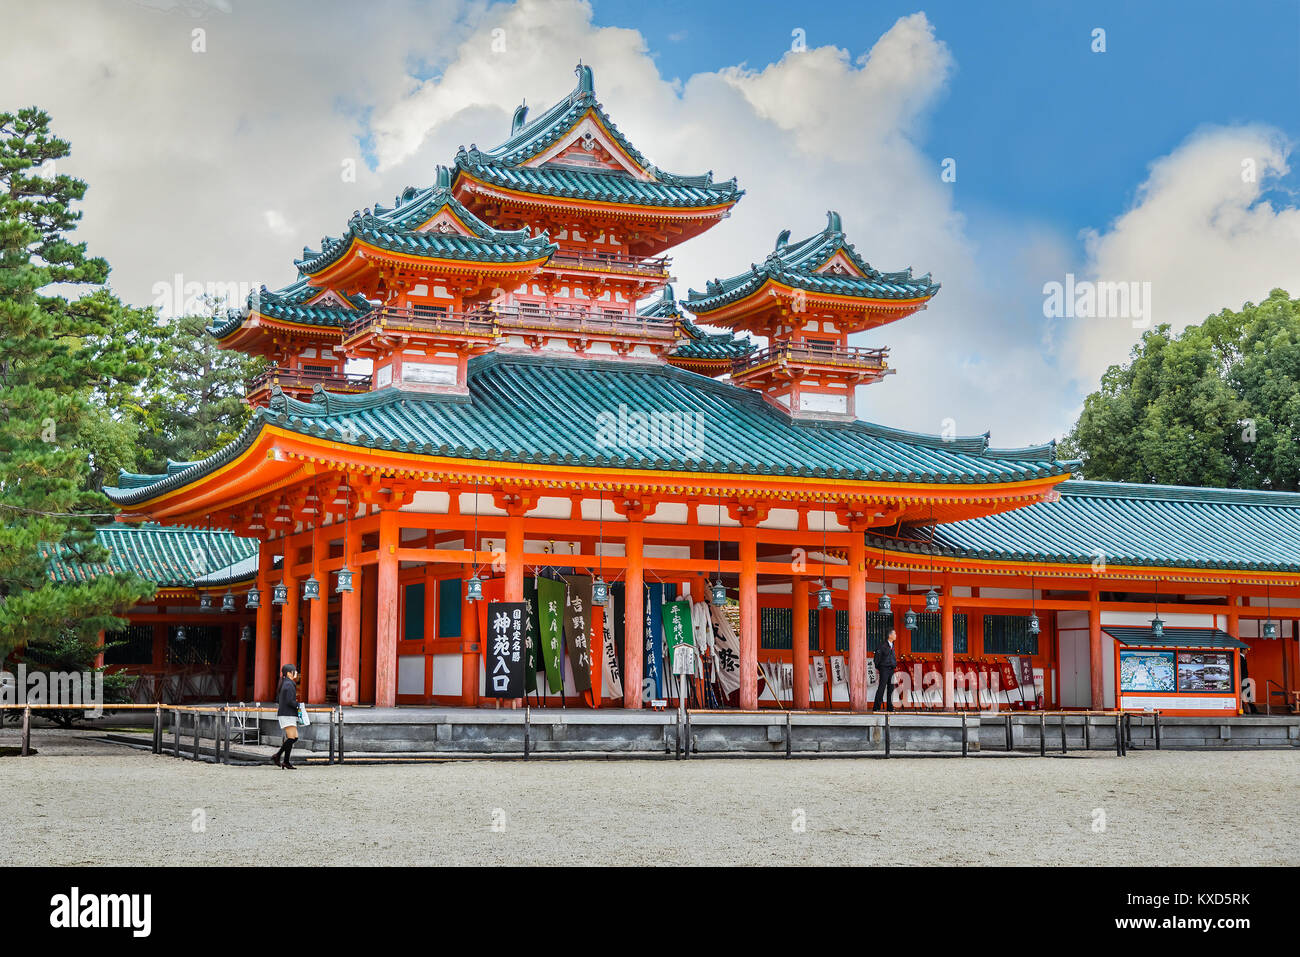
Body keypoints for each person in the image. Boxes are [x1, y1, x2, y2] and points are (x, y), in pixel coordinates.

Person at [271, 663, 301, 769]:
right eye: (295, 671)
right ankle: (279, 757)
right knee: (292, 738)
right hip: (287, 714)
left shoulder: (286, 683)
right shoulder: (289, 684)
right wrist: (298, 705)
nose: (296, 673)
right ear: (289, 673)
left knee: (293, 737)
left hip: (287, 714)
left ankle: (284, 760)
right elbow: (289, 701)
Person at [873, 629, 898, 712]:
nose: (895, 635)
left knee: (891, 689)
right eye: (894, 633)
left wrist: (894, 665)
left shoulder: (892, 645)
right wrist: (880, 668)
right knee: (881, 688)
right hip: (884, 669)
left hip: (891, 669)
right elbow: (876, 658)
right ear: (890, 635)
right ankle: (876, 707)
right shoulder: (882, 645)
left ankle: (890, 707)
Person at [1240, 647, 1259, 715]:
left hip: (1244, 678)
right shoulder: (1240, 657)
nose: (1247, 651)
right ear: (1243, 650)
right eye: (1246, 650)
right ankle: (1249, 710)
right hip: (1242, 679)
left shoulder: (1243, 657)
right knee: (1245, 694)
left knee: (1248, 694)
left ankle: (1252, 709)